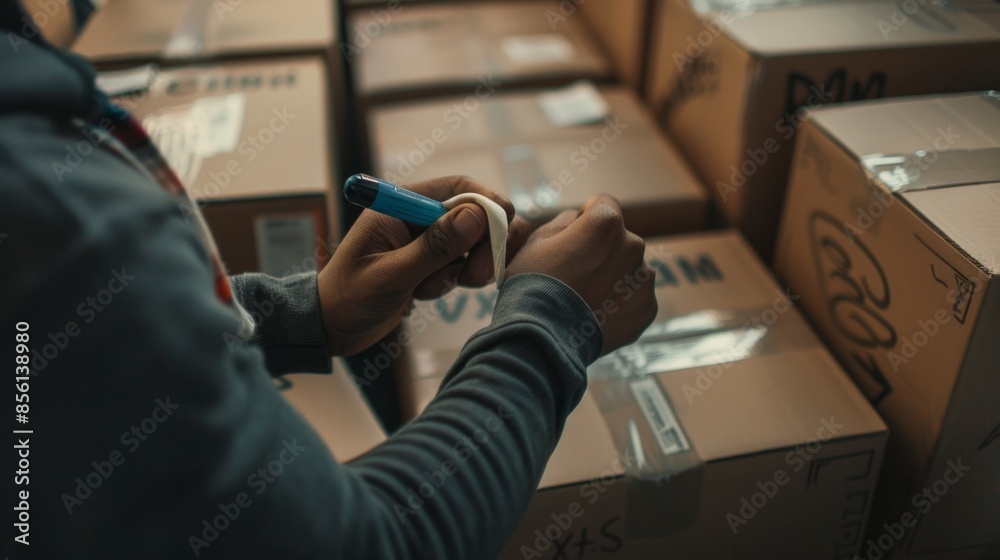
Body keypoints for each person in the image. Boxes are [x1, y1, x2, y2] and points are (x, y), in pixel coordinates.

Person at [1, 1, 657, 558]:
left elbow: (100, 366)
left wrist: (304, 314)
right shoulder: (52, 211)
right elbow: (368, 545)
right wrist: (552, 323)